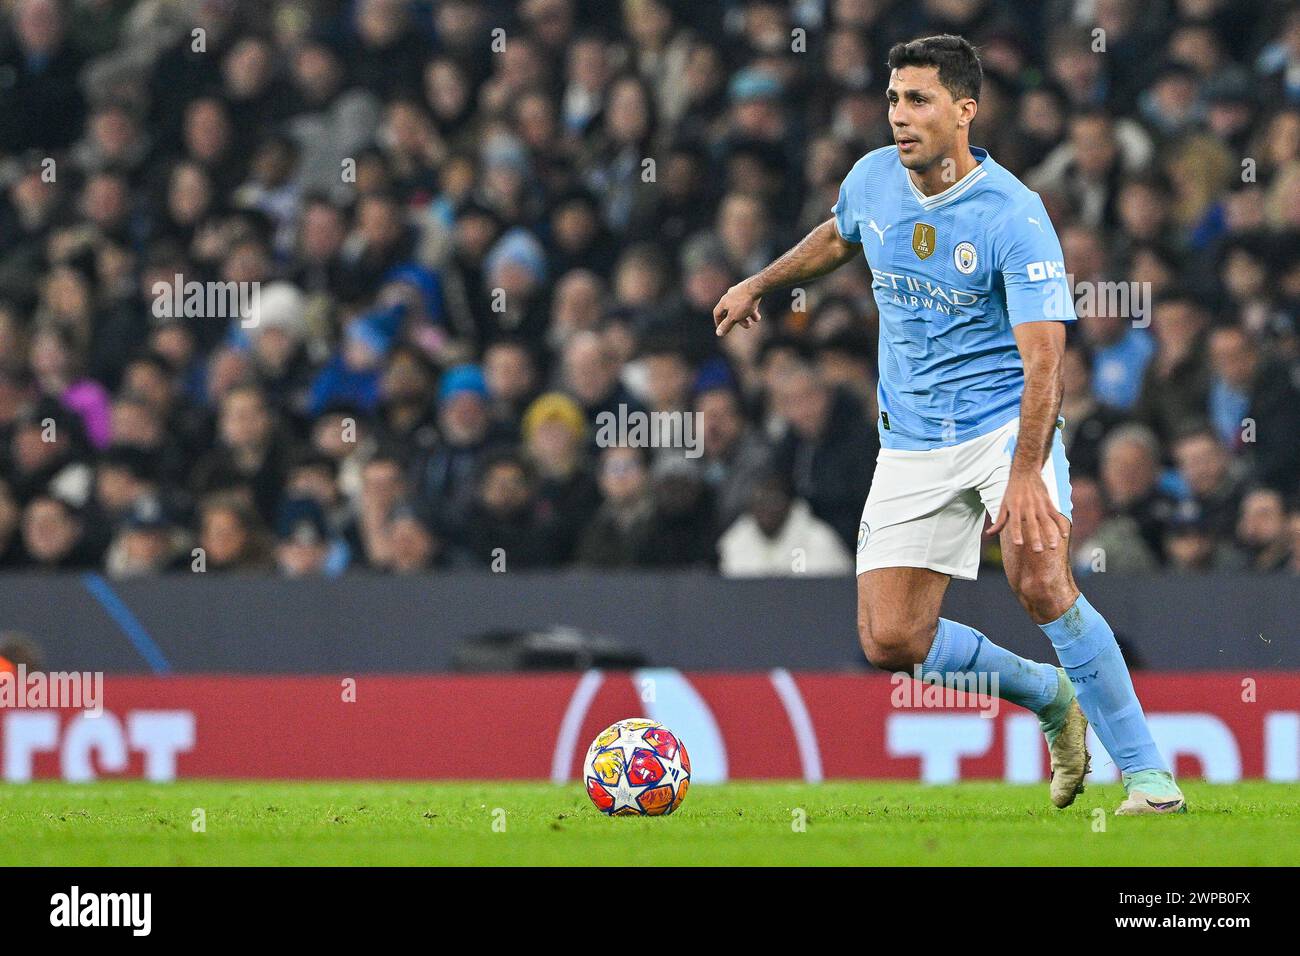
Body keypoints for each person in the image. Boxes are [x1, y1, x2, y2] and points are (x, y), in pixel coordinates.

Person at [712, 36, 1183, 815]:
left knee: (1042, 582)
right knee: (890, 638)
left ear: (965, 111)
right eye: (894, 99)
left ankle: (1148, 775)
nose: (900, 116)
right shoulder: (872, 178)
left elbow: (1044, 365)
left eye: (919, 100)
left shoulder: (1014, 215)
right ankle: (1048, 697)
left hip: (1005, 430)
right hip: (910, 439)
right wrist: (760, 281)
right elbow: (840, 234)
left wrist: (1027, 471)